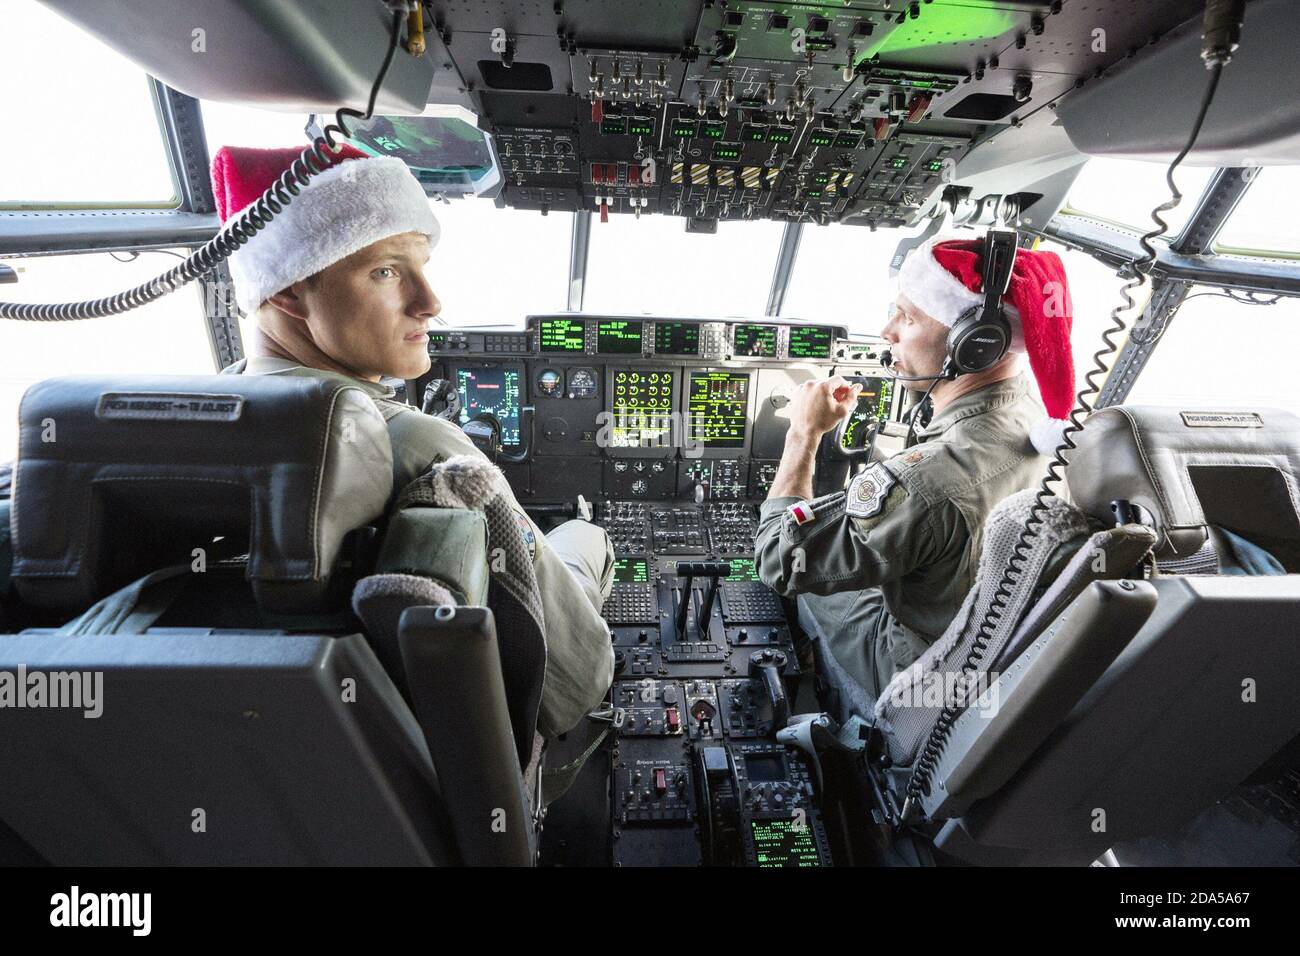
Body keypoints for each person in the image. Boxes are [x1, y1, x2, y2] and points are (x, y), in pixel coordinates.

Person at [210, 143, 614, 738]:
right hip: (458, 763)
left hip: (290, 750)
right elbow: (580, 677)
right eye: (387, 270)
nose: (430, 302)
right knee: (586, 534)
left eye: (423, 265)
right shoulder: (422, 446)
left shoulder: (212, 409)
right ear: (287, 289)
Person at [754, 236, 1076, 705]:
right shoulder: (1038, 414)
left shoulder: (928, 481)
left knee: (805, 568)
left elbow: (777, 560)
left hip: (917, 676)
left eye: (907, 317)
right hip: (976, 652)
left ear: (977, 345)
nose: (887, 331)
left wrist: (803, 434)